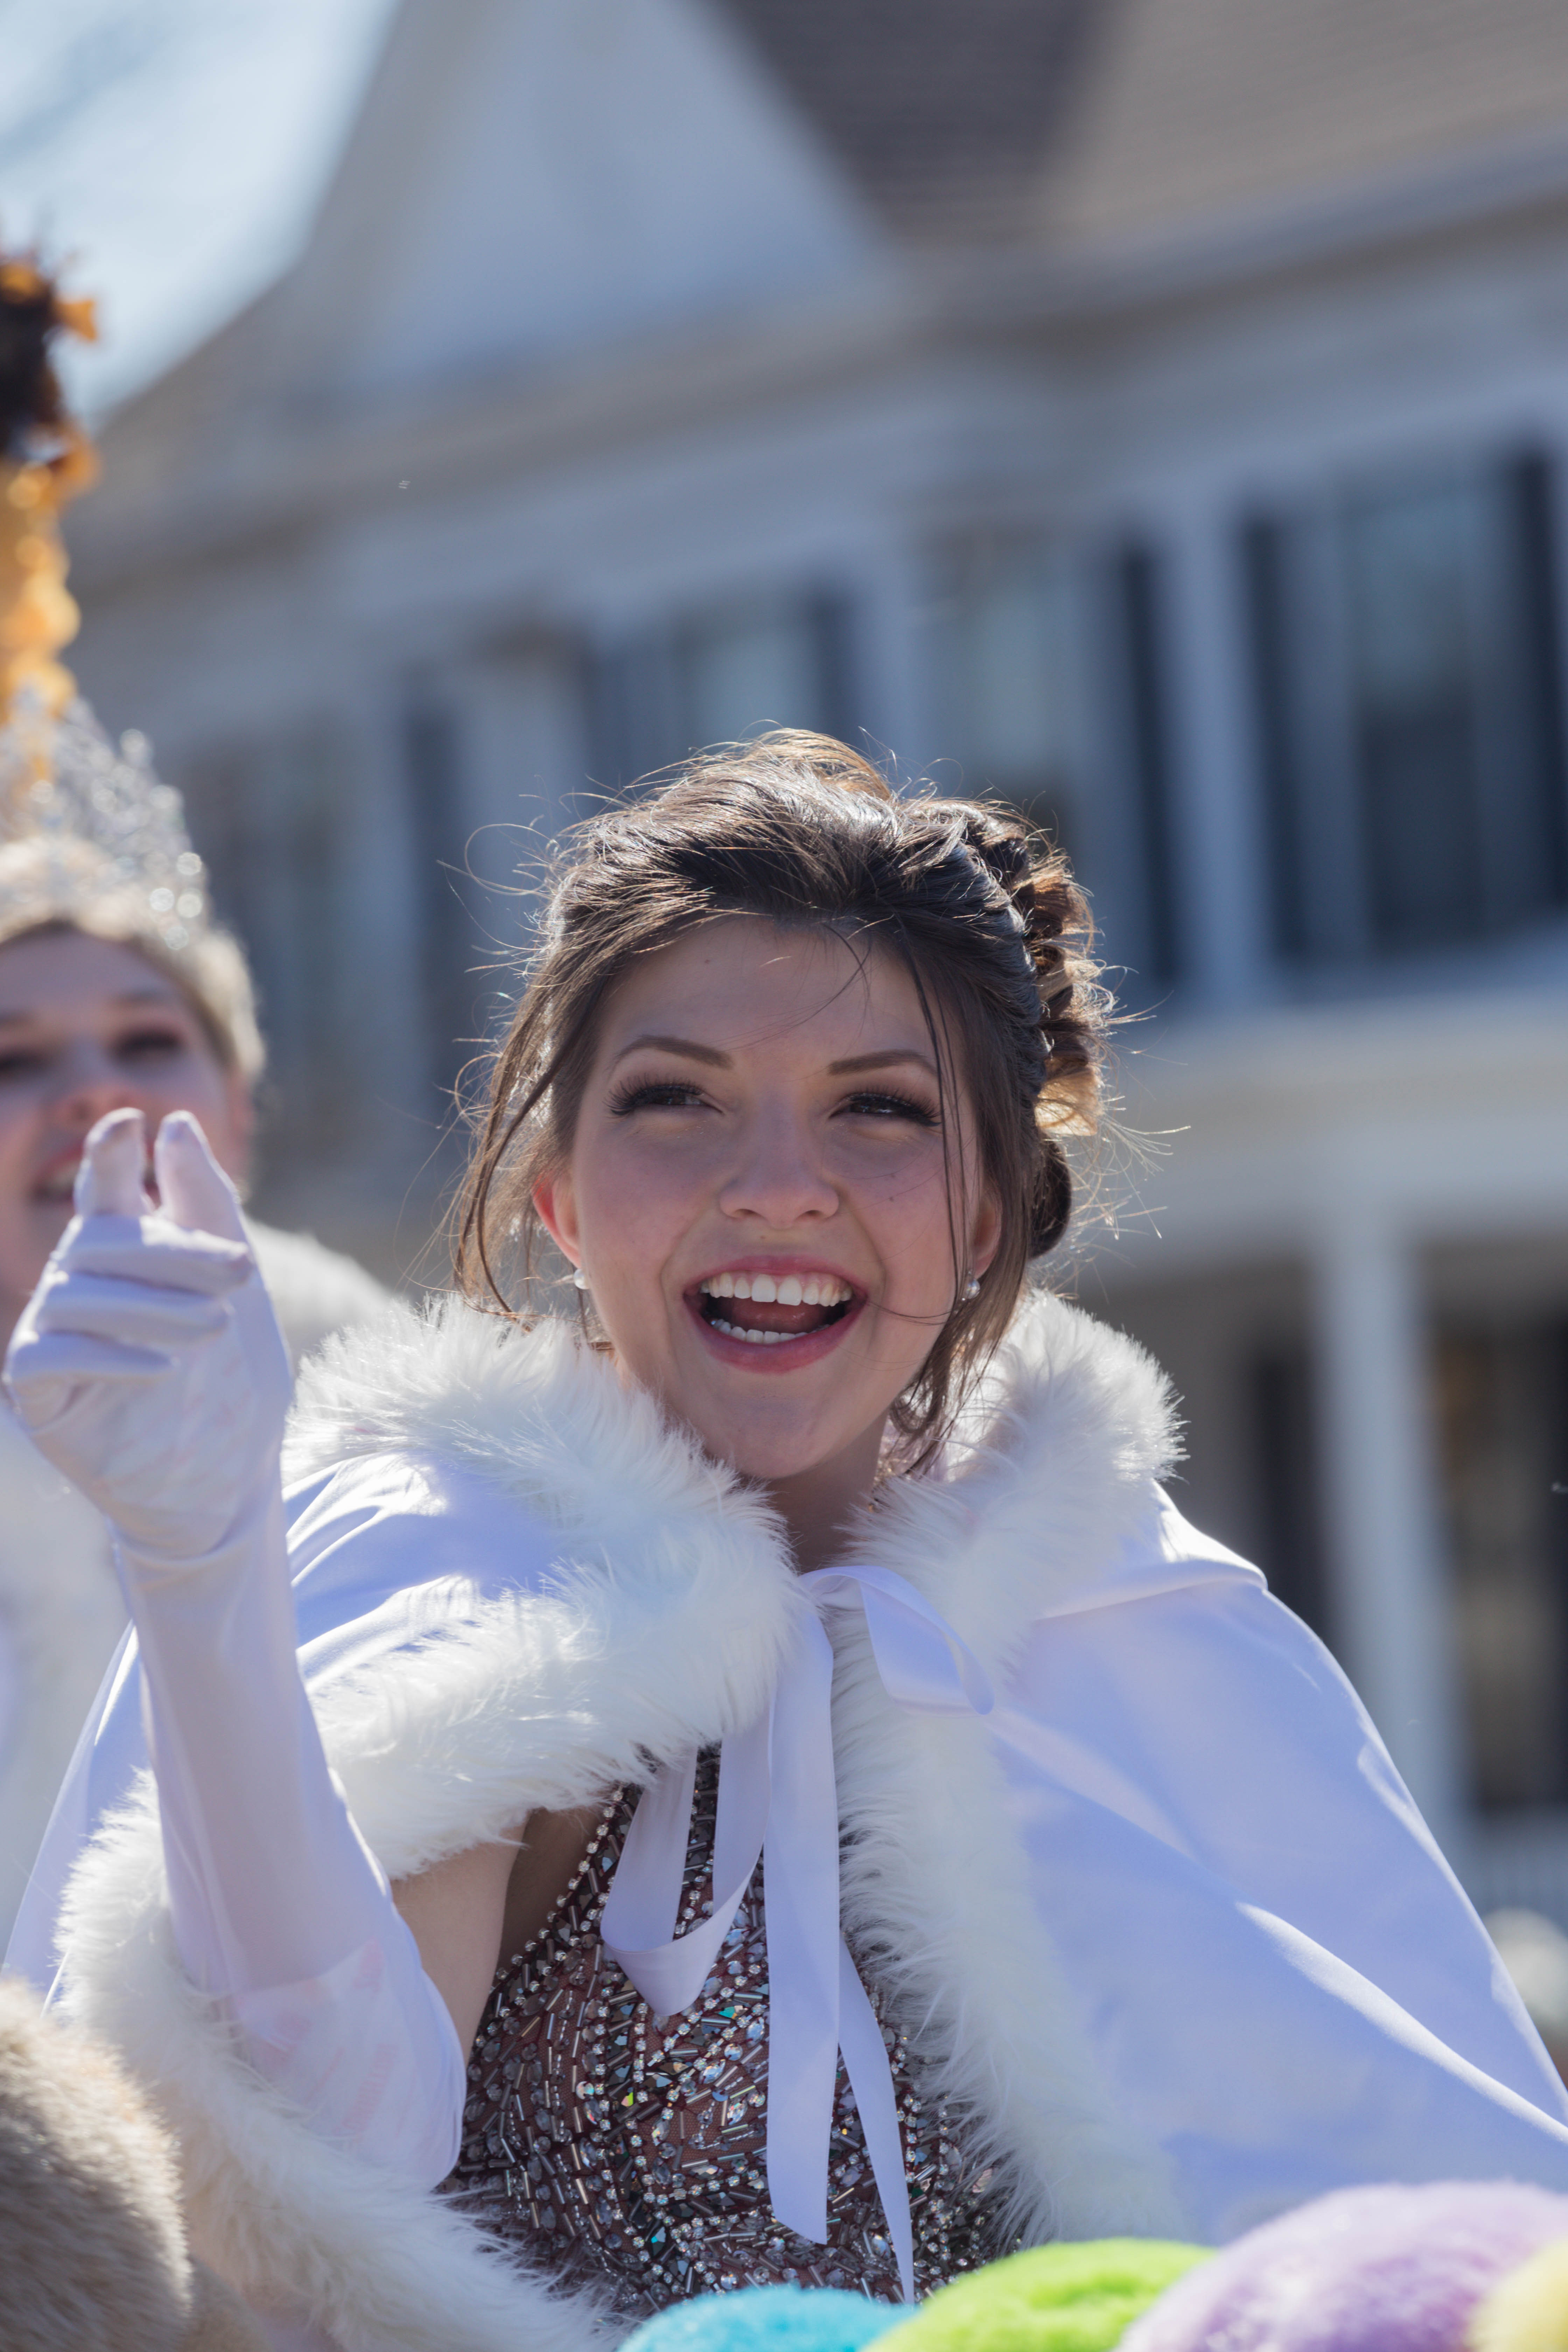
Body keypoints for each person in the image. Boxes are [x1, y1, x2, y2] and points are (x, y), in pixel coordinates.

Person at [7, 735, 1568, 2352]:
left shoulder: (1154, 1629)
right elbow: (316, 2153)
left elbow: (1433, 2258)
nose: (776, 1189)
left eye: (878, 1113)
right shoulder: (430, 1552)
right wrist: (204, 1576)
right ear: (556, 1196)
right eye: (675, 1100)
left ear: (982, 1220)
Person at [0, 253, 388, 1945]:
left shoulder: (406, 1440)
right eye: (12, 1060)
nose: (89, 1097)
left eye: (148, 1046)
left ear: (235, 1113)